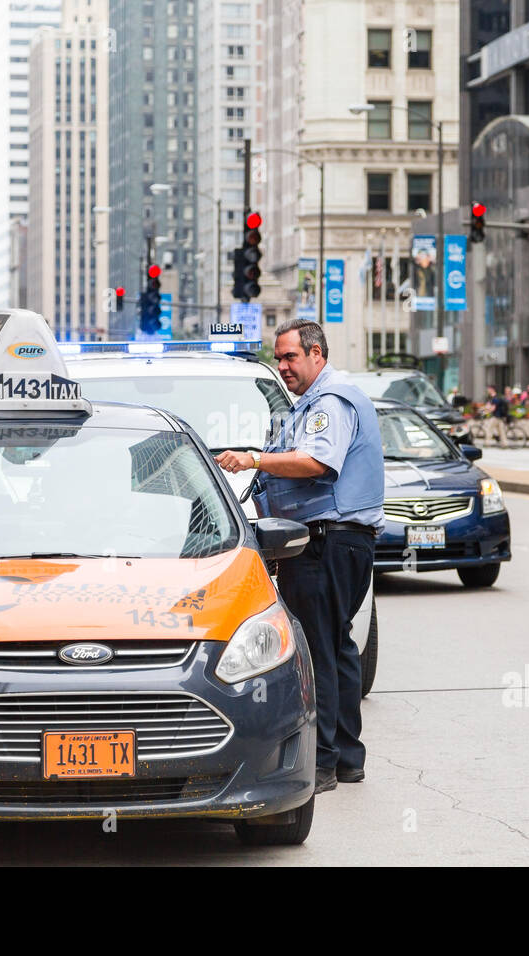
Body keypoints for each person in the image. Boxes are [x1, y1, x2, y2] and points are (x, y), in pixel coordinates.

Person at [215, 320, 384, 794]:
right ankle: (348, 758)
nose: (282, 366)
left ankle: (325, 763)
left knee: (320, 652)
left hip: (328, 541)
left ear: (316, 354)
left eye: (290, 357)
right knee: (337, 648)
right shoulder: (315, 401)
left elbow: (317, 462)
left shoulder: (330, 401)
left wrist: (253, 459)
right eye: (278, 357)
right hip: (339, 540)